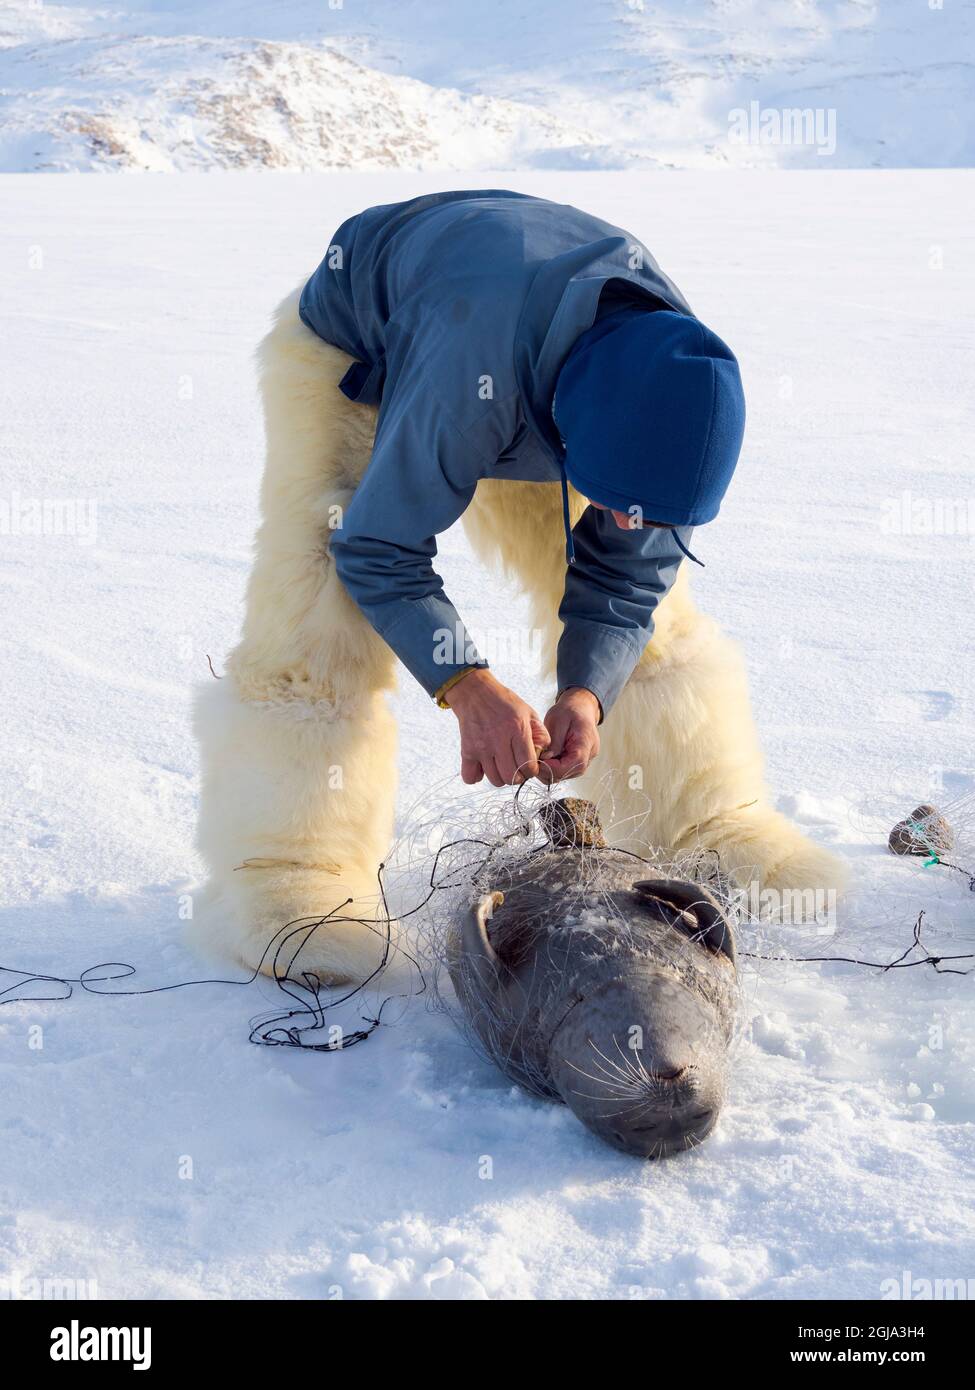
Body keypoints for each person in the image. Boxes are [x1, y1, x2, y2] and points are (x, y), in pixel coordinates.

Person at [193, 190, 846, 983]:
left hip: (539, 362)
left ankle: (701, 820)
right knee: (318, 586)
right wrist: (465, 684)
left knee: (653, 615)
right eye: (618, 501)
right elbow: (379, 543)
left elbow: (628, 574)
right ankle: (289, 871)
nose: (626, 524)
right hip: (371, 347)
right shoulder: (466, 376)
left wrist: (586, 693)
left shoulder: (676, 377)